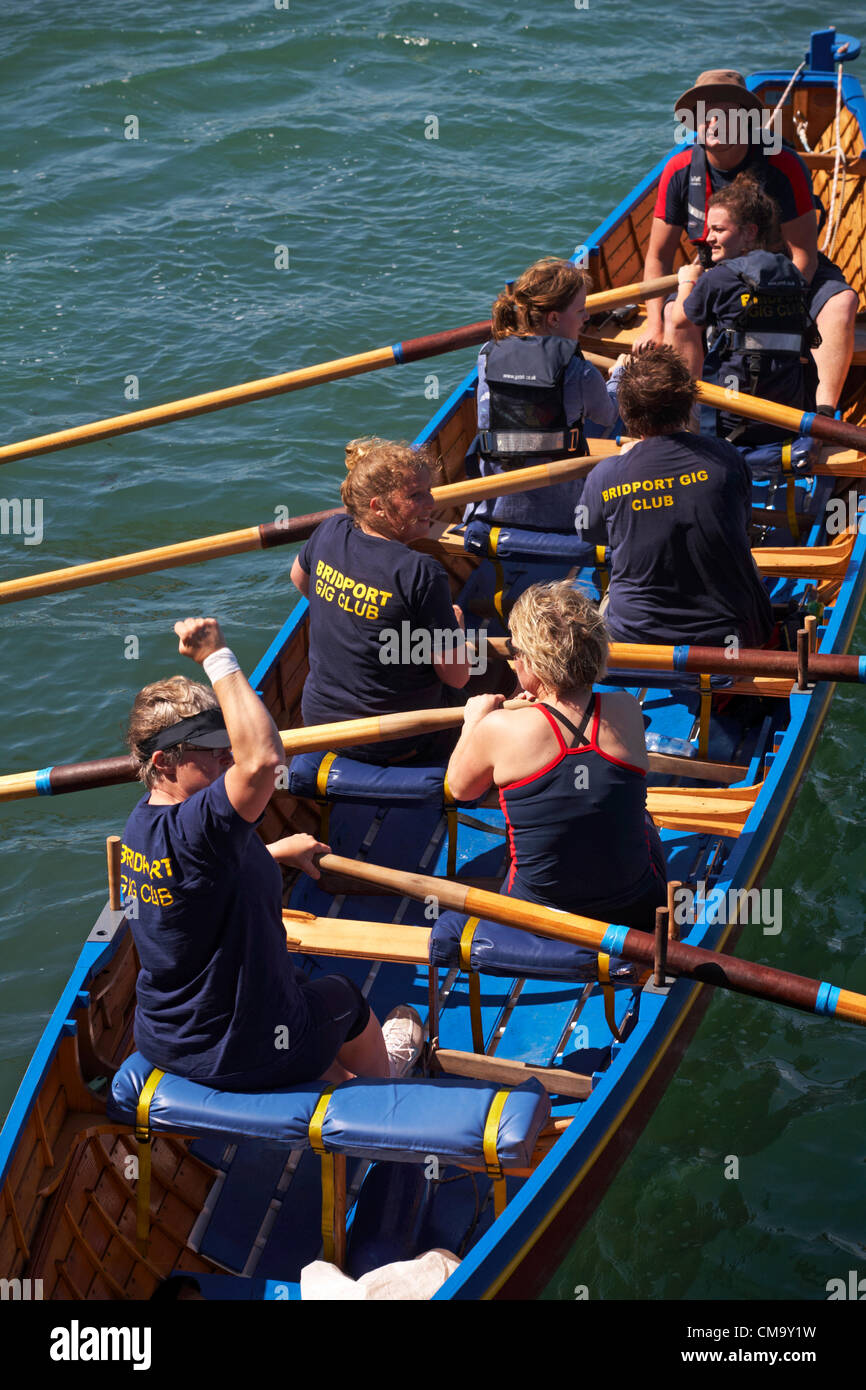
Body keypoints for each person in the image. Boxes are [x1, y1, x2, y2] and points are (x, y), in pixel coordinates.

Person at [121, 616, 422, 1092]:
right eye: (211, 749)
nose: (228, 758)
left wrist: (275, 851)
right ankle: (387, 1089)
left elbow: (197, 882)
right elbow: (262, 759)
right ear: (163, 762)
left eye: (228, 743)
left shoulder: (139, 827)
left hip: (166, 1039)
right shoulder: (205, 823)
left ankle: (333, 1074)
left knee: (294, 987)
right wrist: (215, 654)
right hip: (241, 1051)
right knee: (342, 996)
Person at [444, 581, 666, 944]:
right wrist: (543, 697)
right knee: (641, 818)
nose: (513, 659)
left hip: (539, 917)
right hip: (637, 910)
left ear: (534, 663)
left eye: (515, 651)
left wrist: (473, 724)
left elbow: (459, 788)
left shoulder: (498, 729)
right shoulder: (625, 708)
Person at [637, 68, 856, 411]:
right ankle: (689, 416)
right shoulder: (679, 170)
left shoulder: (783, 165)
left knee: (842, 303)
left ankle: (824, 416)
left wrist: (781, 306)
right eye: (705, 117)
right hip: (717, 275)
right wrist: (654, 326)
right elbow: (658, 258)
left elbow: (804, 256)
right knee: (676, 316)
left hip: (786, 277)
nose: (713, 125)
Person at [578, 344, 774, 647]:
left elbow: (588, 532)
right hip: (731, 637)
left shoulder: (606, 475)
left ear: (626, 412)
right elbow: (741, 519)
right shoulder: (727, 457)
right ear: (689, 405)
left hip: (636, 637)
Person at [290, 438, 471, 764]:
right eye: (416, 496)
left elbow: (299, 579)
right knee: (476, 681)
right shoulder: (421, 572)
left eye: (429, 490)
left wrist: (349, 610)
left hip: (318, 726)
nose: (431, 503)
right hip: (395, 741)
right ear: (377, 506)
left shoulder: (330, 530)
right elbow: (457, 675)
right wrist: (456, 634)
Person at [470, 257, 621, 531]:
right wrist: (619, 376)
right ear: (553, 318)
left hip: (495, 508)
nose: (586, 317)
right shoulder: (580, 371)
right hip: (564, 515)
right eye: (580, 311)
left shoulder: (487, 355)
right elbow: (608, 415)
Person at [668, 174, 819, 445]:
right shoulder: (791, 273)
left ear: (749, 232)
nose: (708, 238)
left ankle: (680, 417)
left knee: (673, 312)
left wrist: (687, 280)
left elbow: (681, 321)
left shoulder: (719, 278)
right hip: (786, 418)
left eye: (718, 230)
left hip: (728, 422)